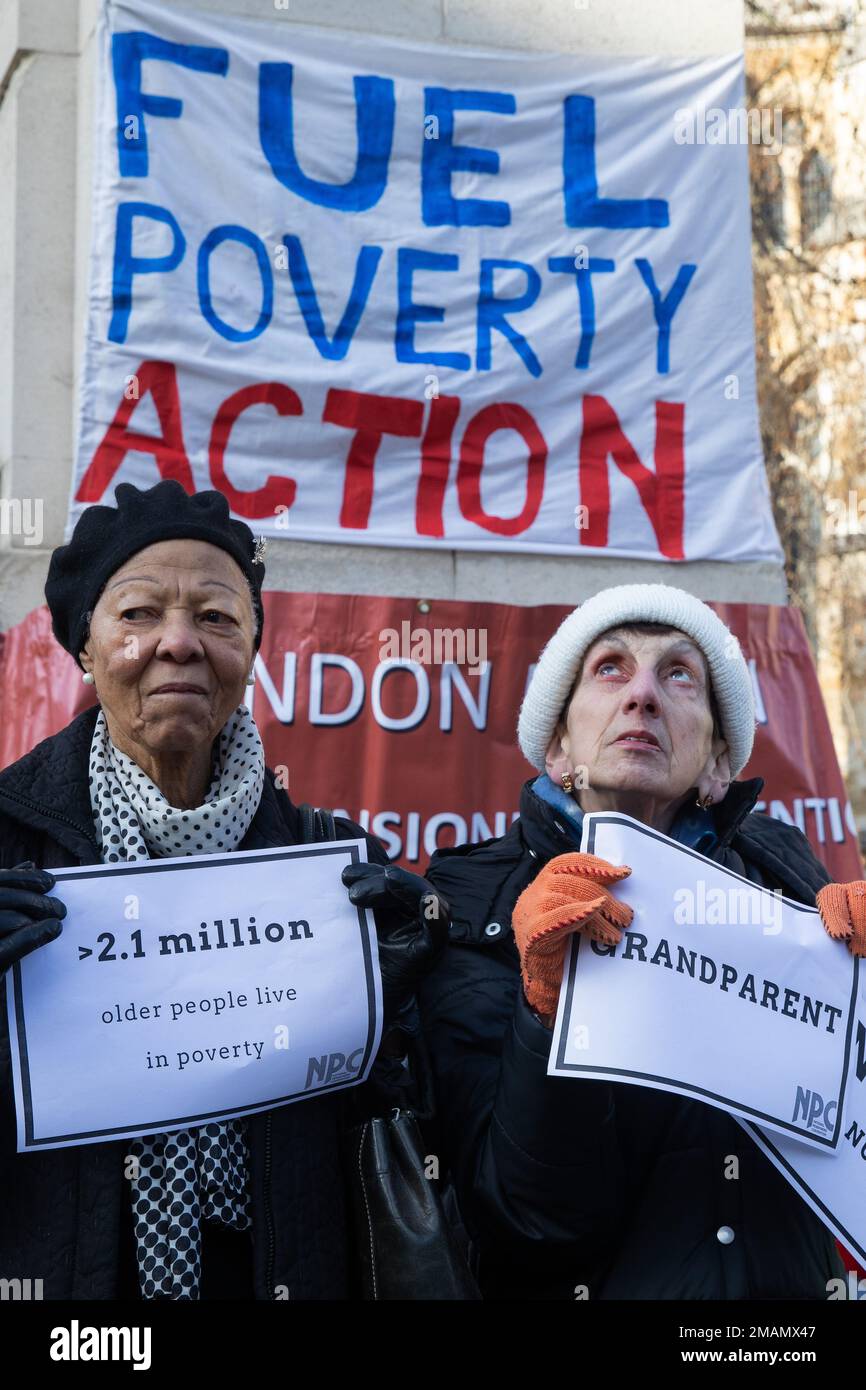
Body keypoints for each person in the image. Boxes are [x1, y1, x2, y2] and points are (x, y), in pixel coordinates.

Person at [0, 479, 447, 1301]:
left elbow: (395, 1128)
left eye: (215, 616)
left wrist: (392, 1013)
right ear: (84, 649)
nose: (179, 643)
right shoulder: (5, 847)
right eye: (137, 614)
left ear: (250, 651)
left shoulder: (328, 867)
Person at [419, 582, 853, 1300]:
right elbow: (523, 1224)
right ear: (557, 748)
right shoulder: (472, 903)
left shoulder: (790, 879)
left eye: (679, 673)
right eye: (611, 668)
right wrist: (546, 1011)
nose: (644, 694)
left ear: (718, 764)